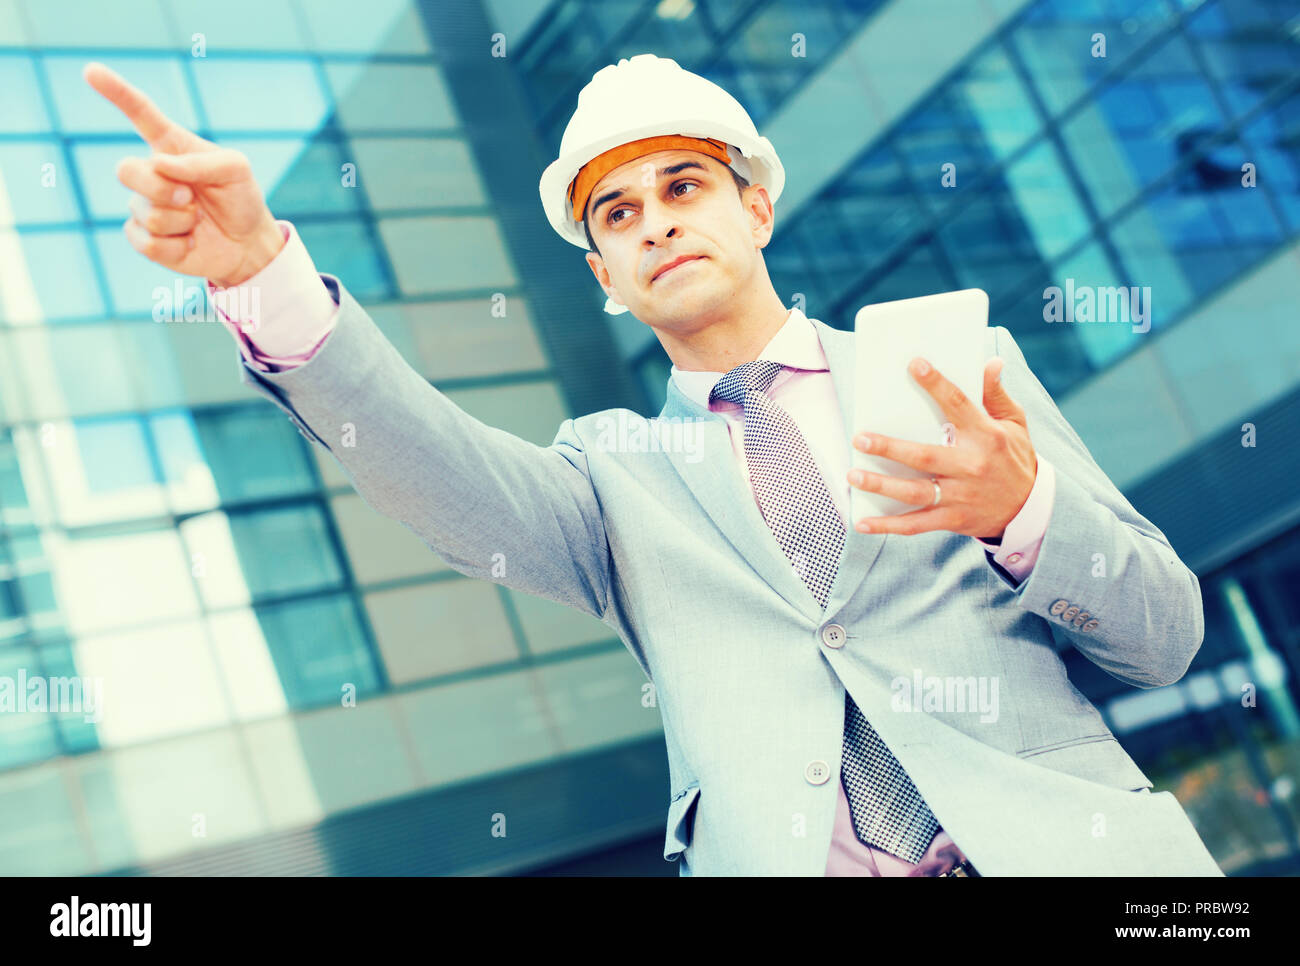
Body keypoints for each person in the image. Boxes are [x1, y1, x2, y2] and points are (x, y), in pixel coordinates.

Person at [84, 53, 1223, 877]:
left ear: (756, 206)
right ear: (603, 277)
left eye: (683, 187)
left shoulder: (952, 372)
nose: (654, 224)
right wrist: (263, 279)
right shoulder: (608, 480)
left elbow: (1164, 638)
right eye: (616, 214)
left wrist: (1022, 509)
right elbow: (427, 463)